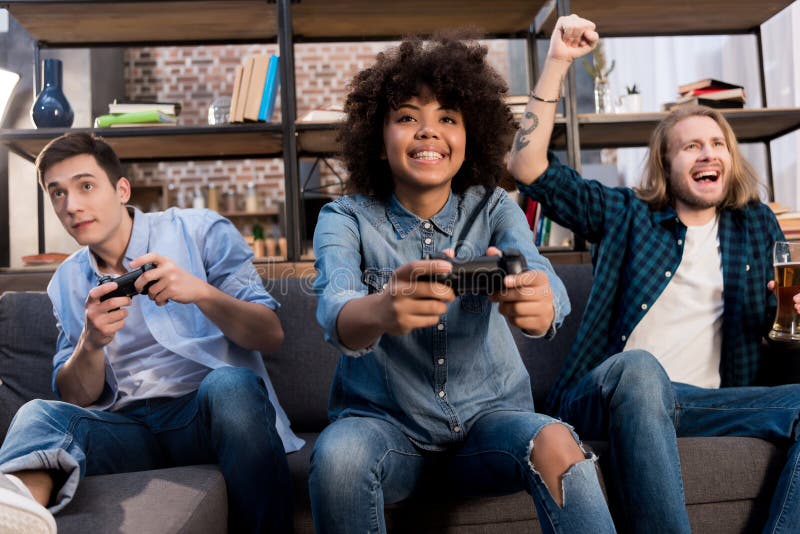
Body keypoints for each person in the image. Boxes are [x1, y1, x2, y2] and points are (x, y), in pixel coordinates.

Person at [308, 24, 615, 534]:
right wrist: (384, 308)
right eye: (407, 118)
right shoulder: (344, 217)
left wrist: (538, 304)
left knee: (558, 440)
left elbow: (540, 278)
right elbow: (335, 310)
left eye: (446, 118)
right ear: (378, 140)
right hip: (385, 431)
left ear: (467, 136)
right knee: (338, 459)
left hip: (490, 429)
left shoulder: (494, 206)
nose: (428, 131)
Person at [507, 13, 800, 534]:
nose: (708, 153)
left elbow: (772, 349)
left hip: (706, 403)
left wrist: (794, 326)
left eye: (717, 145)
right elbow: (527, 168)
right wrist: (556, 62)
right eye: (691, 146)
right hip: (614, 394)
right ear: (666, 165)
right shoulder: (625, 214)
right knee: (642, 369)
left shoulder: (755, 224)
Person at [0, 132, 303, 533]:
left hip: (204, 417)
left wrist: (199, 292)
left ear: (121, 189)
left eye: (85, 186)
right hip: (128, 431)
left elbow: (270, 334)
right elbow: (75, 396)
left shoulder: (200, 231)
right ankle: (14, 515)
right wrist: (91, 343)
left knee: (230, 384)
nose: (71, 206)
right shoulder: (66, 281)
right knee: (39, 413)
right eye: (57, 194)